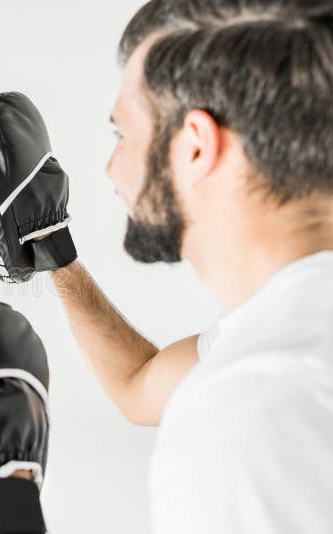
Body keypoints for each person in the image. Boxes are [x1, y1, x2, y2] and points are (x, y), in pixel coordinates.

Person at [47, 1, 333, 532]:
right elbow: (139, 387)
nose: (112, 167)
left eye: (123, 134)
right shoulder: (281, 337)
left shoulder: (248, 413)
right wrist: (52, 252)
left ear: (196, 146)